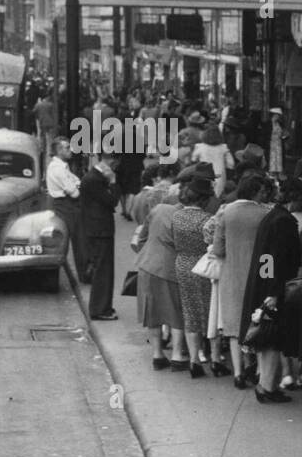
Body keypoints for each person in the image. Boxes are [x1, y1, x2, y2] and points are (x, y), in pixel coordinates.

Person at [240, 177, 302, 402]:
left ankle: (266, 385)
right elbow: (275, 258)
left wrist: (266, 285)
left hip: (265, 285)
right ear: (295, 198)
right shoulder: (285, 221)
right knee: (271, 339)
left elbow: (267, 258)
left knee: (266, 340)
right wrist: (273, 292)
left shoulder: (272, 217)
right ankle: (267, 387)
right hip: (274, 290)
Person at [213, 173, 273, 387]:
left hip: (232, 274)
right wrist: (269, 275)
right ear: (257, 192)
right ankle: (256, 370)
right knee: (257, 322)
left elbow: (218, 249)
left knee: (232, 325)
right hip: (259, 275)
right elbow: (270, 252)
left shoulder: (225, 212)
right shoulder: (266, 213)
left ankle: (238, 373)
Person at [133, 176, 188, 371]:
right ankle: (177, 356)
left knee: (152, 312)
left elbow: (141, 238)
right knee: (176, 312)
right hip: (169, 268)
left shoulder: (157, 210)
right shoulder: (182, 216)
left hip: (146, 266)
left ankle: (157, 354)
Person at [169, 176, 217, 375]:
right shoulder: (208, 220)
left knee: (189, 311)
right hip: (204, 265)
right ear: (204, 199)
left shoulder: (176, 216)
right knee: (211, 310)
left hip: (182, 264)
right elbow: (215, 245)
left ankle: (194, 359)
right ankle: (214, 357)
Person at [80, 158, 121, 320]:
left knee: (102, 268)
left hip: (97, 228)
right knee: (102, 270)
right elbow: (112, 201)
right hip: (99, 230)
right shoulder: (94, 180)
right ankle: (99, 309)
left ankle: (103, 306)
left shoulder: (93, 177)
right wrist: (113, 182)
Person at [45, 137, 86, 283]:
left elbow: (77, 182)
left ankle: (80, 272)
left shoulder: (63, 166)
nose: (71, 150)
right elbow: (75, 192)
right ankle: (83, 274)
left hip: (65, 204)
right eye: (67, 148)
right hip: (66, 205)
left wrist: (77, 185)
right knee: (77, 239)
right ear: (58, 150)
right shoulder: (58, 169)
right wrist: (77, 186)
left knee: (71, 239)